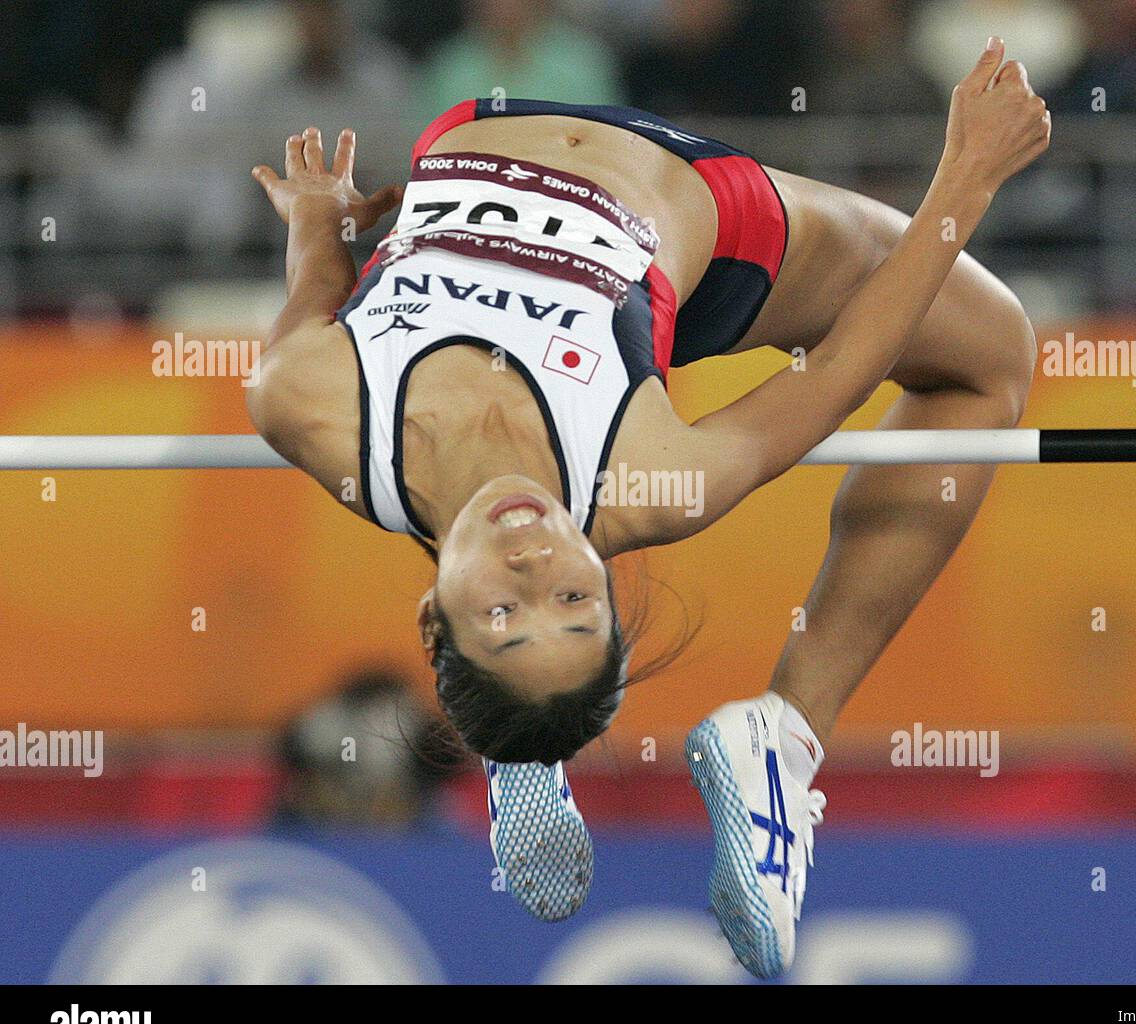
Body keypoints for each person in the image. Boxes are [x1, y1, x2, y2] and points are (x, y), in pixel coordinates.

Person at [246, 38, 1048, 969]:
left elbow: (311, 300)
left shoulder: (307, 403)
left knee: (501, 524)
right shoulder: (654, 480)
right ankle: (782, 741)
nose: (537, 564)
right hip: (701, 219)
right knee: (990, 360)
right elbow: (839, 371)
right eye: (578, 604)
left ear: (433, 616)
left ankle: (524, 734)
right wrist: (966, 179)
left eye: (505, 614)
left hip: (478, 126)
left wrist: (318, 223)